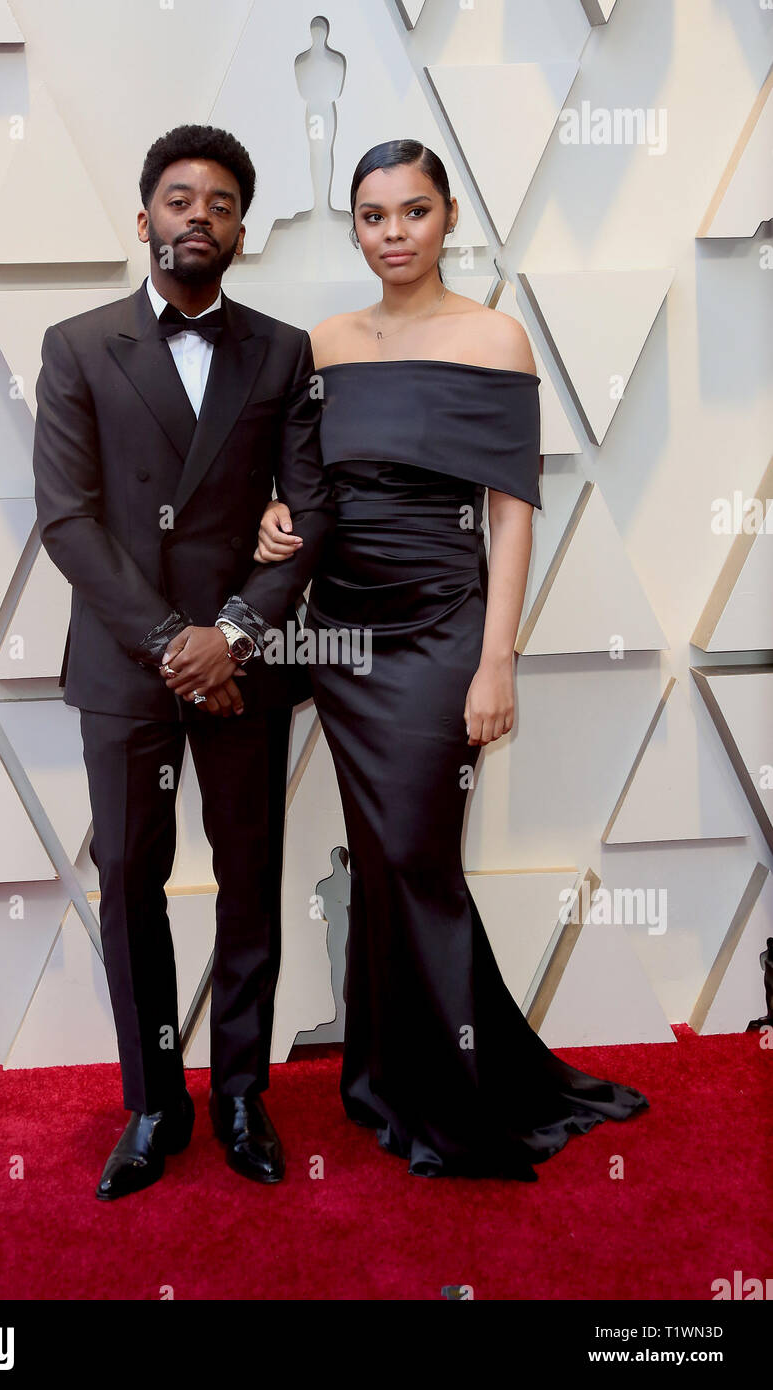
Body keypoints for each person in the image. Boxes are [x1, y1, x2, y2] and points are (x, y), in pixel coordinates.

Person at [255, 139, 649, 1179]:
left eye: (414, 211)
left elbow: (510, 514)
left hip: (439, 631)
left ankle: (463, 1093)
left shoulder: (494, 340)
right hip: (342, 635)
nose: (394, 232)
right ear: (354, 226)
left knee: (418, 860)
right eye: (374, 215)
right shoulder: (323, 341)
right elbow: (305, 482)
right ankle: (384, 1076)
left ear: (447, 218)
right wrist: (274, 518)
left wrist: (494, 661)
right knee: (381, 865)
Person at [32, 124, 334, 1197]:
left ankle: (244, 1091)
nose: (195, 213)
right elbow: (66, 520)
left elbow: (307, 513)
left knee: (249, 878)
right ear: (145, 215)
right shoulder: (77, 345)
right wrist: (172, 642)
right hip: (130, 668)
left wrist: (233, 635)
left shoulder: (283, 349)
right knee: (132, 884)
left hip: (245, 662)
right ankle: (157, 1101)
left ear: (241, 229)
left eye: (217, 201)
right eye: (176, 196)